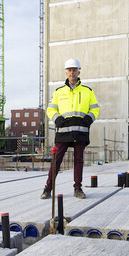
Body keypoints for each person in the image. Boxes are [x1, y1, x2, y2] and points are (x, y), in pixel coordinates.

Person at [41, 58, 100, 199]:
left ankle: (78, 189)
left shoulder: (87, 91)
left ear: (79, 72)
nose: (72, 72)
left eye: (74, 70)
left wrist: (88, 119)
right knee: (56, 160)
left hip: (80, 131)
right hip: (63, 132)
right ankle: (48, 189)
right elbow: (50, 109)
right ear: (66, 72)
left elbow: (95, 109)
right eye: (69, 70)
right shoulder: (59, 92)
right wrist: (57, 119)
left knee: (78, 160)